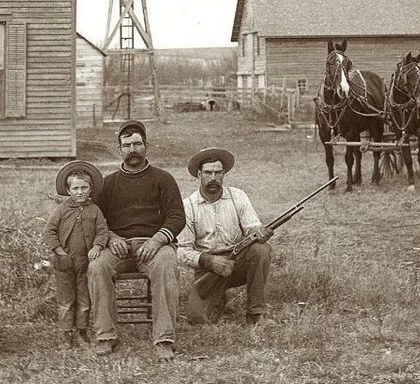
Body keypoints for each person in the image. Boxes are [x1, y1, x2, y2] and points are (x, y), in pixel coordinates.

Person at [88, 120, 186, 361]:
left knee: (166, 265)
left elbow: (177, 217)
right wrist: (110, 238)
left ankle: (164, 339)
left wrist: (156, 241)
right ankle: (106, 335)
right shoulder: (107, 183)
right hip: (118, 247)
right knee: (97, 266)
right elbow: (96, 219)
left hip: (154, 245)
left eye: (137, 144)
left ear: (146, 146)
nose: (132, 149)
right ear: (119, 149)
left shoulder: (163, 179)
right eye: (127, 145)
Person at [177, 147, 272, 326]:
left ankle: (256, 313)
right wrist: (209, 261)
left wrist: (257, 232)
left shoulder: (238, 196)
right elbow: (181, 251)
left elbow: (251, 226)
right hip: (208, 269)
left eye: (218, 172)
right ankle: (218, 298)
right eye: (208, 173)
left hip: (238, 263)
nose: (213, 178)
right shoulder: (188, 206)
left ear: (224, 174)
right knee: (198, 319)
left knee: (261, 249)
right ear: (199, 174)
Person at [43, 160, 110, 347]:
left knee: (84, 298)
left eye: (84, 187)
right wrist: (59, 251)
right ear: (68, 190)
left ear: (90, 188)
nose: (80, 192)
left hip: (85, 264)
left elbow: (103, 231)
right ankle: (66, 333)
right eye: (75, 188)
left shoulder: (95, 211)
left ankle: (82, 331)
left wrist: (97, 247)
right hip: (64, 264)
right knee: (66, 300)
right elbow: (49, 231)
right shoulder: (62, 210)